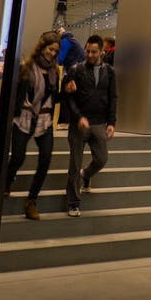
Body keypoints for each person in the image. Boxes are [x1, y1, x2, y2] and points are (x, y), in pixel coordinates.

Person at [4, 31, 61, 220]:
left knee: (45, 159)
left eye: (56, 51)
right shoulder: (27, 68)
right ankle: (6, 180)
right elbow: (16, 95)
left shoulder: (55, 72)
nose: (52, 54)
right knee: (18, 157)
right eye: (50, 49)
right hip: (24, 118)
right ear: (42, 47)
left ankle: (31, 201)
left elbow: (54, 98)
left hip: (44, 121)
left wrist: (68, 91)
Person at [64, 34, 117, 217]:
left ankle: (86, 175)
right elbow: (69, 97)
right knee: (74, 163)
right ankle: (73, 202)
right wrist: (78, 116)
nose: (89, 55)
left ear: (102, 52)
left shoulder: (109, 71)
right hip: (79, 124)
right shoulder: (76, 70)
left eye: (94, 52)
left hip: (99, 123)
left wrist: (112, 122)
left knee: (102, 158)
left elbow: (113, 98)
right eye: (87, 51)